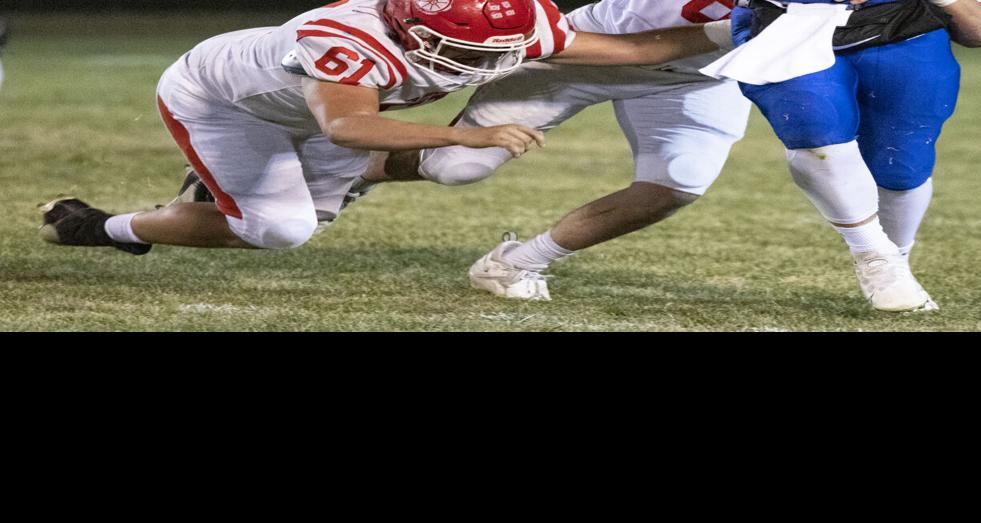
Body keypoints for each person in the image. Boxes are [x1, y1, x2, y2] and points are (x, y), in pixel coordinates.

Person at [39, 0, 731, 257]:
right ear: (415, 32)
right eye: (474, 53)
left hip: (335, 113)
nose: (495, 63)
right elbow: (348, 127)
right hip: (227, 105)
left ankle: (217, 195)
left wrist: (739, 28)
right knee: (278, 231)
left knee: (309, 215)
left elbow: (634, 51)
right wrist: (464, 135)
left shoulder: (506, 21)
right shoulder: (346, 43)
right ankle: (101, 227)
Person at [358, 0, 753, 302]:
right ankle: (355, 170)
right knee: (457, 167)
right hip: (592, 48)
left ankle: (515, 264)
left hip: (697, 79)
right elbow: (639, 47)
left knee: (679, 180)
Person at [719, 0, 981, 311]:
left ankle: (895, 259)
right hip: (786, 20)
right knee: (813, 124)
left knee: (901, 166)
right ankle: (873, 253)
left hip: (904, 24)